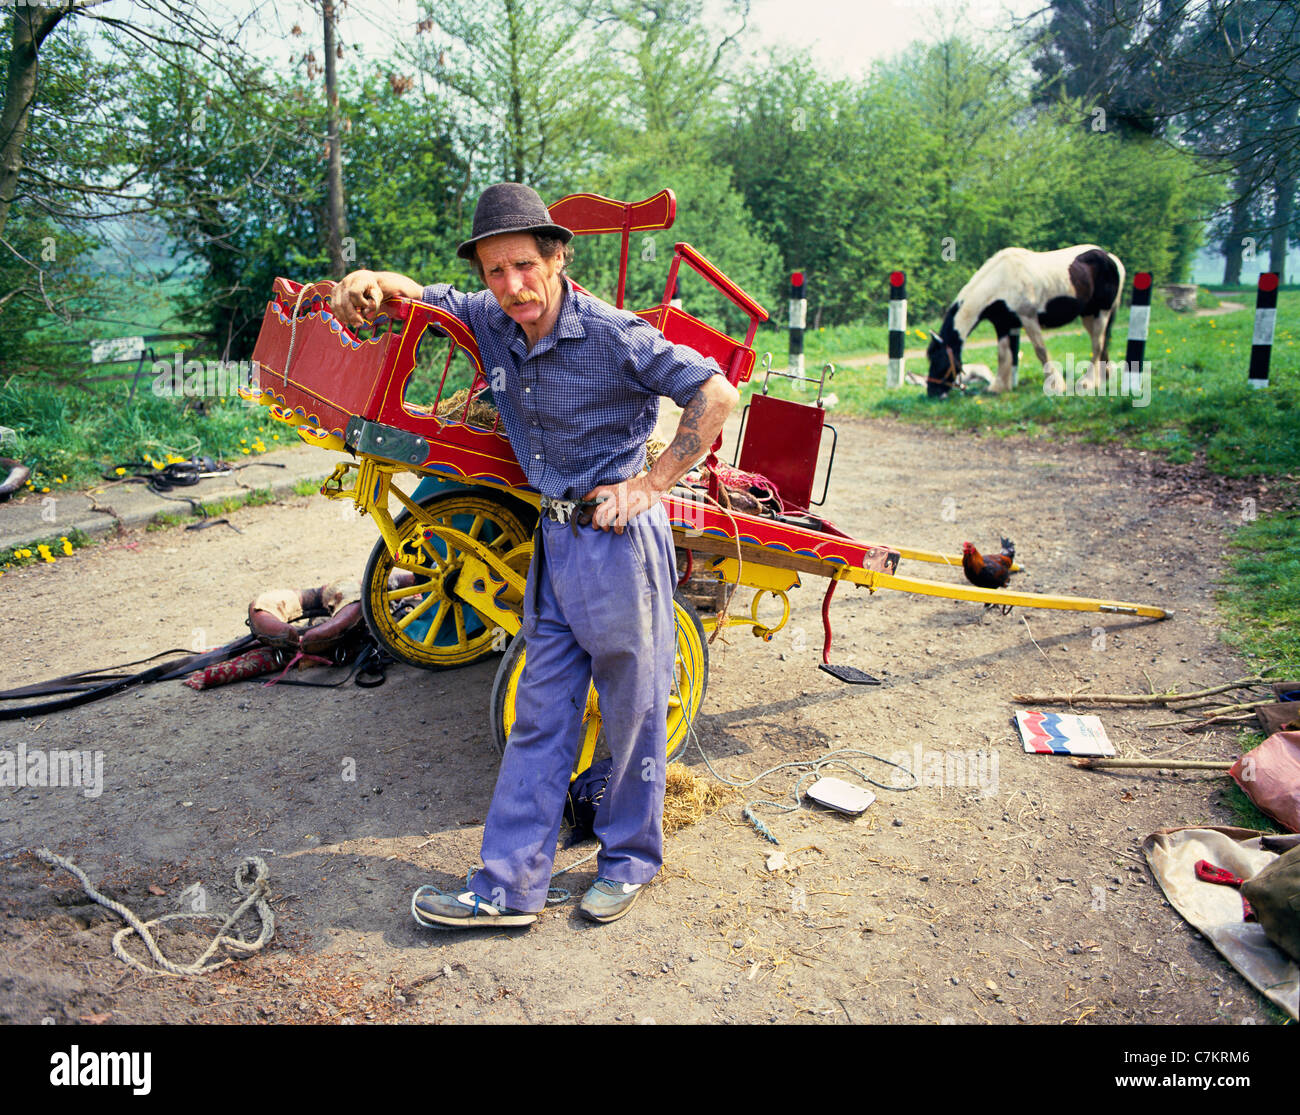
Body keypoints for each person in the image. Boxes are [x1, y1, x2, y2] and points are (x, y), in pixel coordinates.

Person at [330, 183, 738, 927]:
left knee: (634, 711)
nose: (511, 286)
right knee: (542, 713)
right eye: (494, 272)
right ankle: (508, 884)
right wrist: (373, 283)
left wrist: (652, 483)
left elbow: (715, 395)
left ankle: (628, 860)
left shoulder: (616, 335)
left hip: (617, 544)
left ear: (557, 256)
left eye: (523, 265)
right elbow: (419, 296)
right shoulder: (490, 316)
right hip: (552, 542)